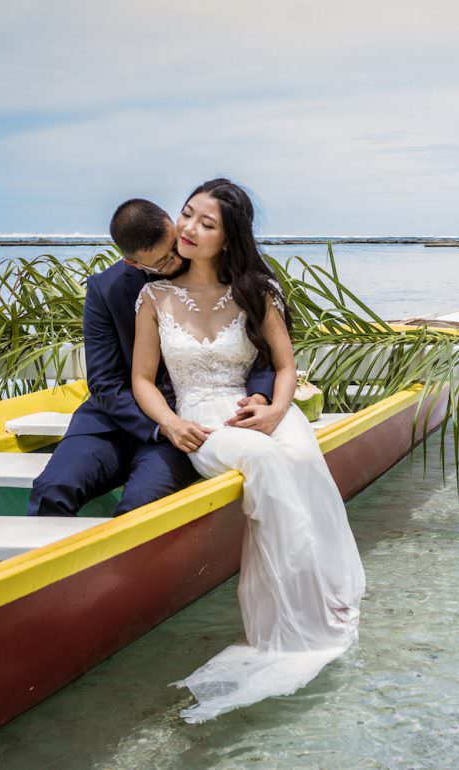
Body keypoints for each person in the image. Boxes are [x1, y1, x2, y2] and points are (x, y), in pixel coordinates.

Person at [131, 178, 365, 721]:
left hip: (256, 410)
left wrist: (277, 411)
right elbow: (142, 379)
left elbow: (285, 367)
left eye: (205, 223)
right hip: (204, 425)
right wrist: (169, 423)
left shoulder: (258, 289)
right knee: (260, 461)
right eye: (187, 215)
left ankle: (321, 592)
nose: (188, 229)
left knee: (301, 455)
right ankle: (287, 619)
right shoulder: (154, 296)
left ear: (228, 237)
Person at [27, 199, 275, 518]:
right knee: (52, 491)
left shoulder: (219, 270)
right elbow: (104, 383)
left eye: (175, 246)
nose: (177, 259)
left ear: (174, 225)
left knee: (138, 509)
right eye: (162, 262)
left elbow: (256, 348)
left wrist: (260, 394)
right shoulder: (106, 290)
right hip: (115, 423)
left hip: (190, 424)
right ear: (134, 264)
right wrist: (161, 426)